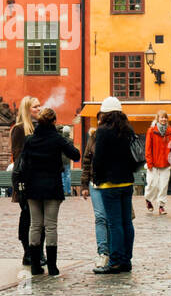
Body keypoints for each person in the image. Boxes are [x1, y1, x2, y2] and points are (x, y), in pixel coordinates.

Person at [17, 108, 80, 275]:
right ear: (53, 122)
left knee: (35, 225)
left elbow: (23, 163)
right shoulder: (57, 139)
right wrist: (66, 139)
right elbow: (76, 155)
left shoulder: (30, 140)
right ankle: (52, 266)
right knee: (51, 226)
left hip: (33, 188)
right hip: (52, 187)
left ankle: (36, 266)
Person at [91, 97, 138, 274]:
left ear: (105, 113)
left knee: (114, 223)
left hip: (109, 184)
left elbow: (99, 157)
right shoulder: (128, 130)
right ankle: (127, 260)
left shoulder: (102, 131)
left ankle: (116, 261)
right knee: (127, 222)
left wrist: (96, 177)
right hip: (127, 181)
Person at [9, 95, 40, 265]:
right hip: (25, 181)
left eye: (39, 106)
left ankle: (37, 251)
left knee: (38, 218)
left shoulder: (37, 128)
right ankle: (28, 251)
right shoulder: (19, 129)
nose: (39, 109)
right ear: (27, 109)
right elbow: (18, 157)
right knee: (27, 216)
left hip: (37, 180)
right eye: (35, 107)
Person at [78, 126, 108, 266]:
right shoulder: (93, 137)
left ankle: (114, 251)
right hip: (94, 183)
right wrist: (84, 185)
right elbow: (86, 162)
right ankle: (103, 252)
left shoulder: (116, 134)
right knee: (100, 217)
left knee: (111, 218)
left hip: (111, 183)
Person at [143, 110, 171, 216]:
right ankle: (148, 199)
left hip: (165, 164)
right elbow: (147, 148)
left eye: (165, 117)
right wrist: (149, 162)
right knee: (152, 184)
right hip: (153, 164)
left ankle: (161, 206)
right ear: (157, 119)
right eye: (161, 117)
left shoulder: (170, 131)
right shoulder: (151, 131)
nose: (163, 119)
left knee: (163, 186)